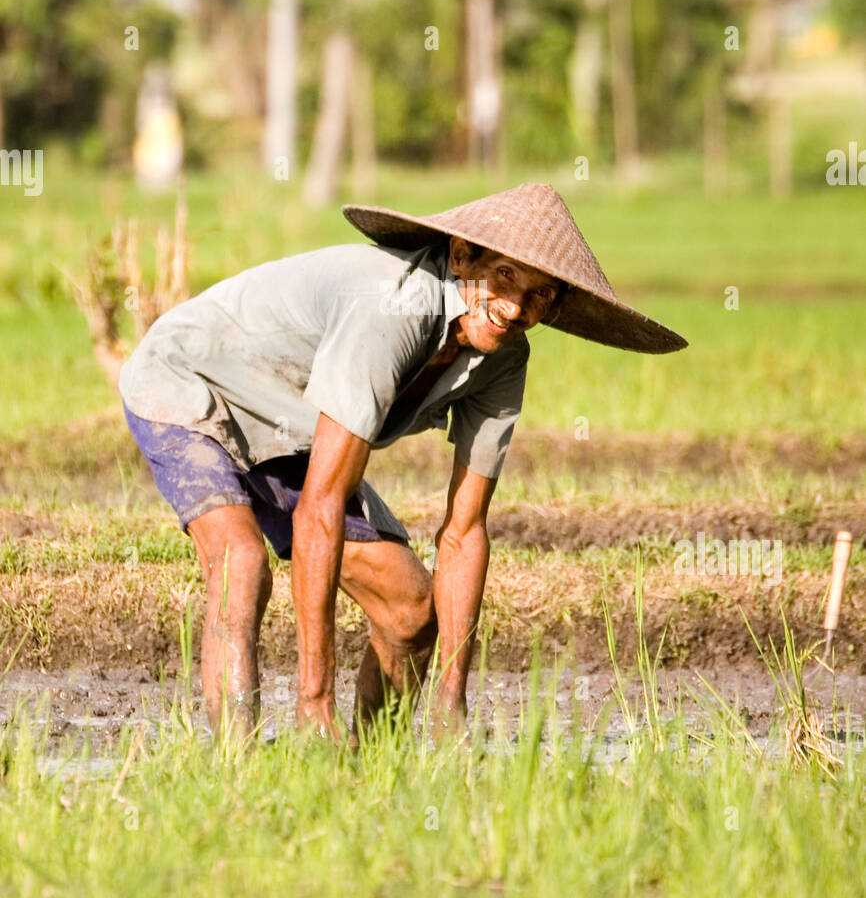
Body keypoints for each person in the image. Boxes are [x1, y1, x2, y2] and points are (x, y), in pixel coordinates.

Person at [119, 182, 686, 740]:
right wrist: (315, 699)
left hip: (292, 425)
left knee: (410, 610)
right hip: (190, 381)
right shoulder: (391, 308)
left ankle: (366, 777)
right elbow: (319, 510)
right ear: (462, 256)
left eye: (540, 294)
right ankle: (235, 775)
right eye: (505, 276)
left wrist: (451, 702)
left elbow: (464, 532)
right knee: (240, 561)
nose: (515, 306)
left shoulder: (503, 359)